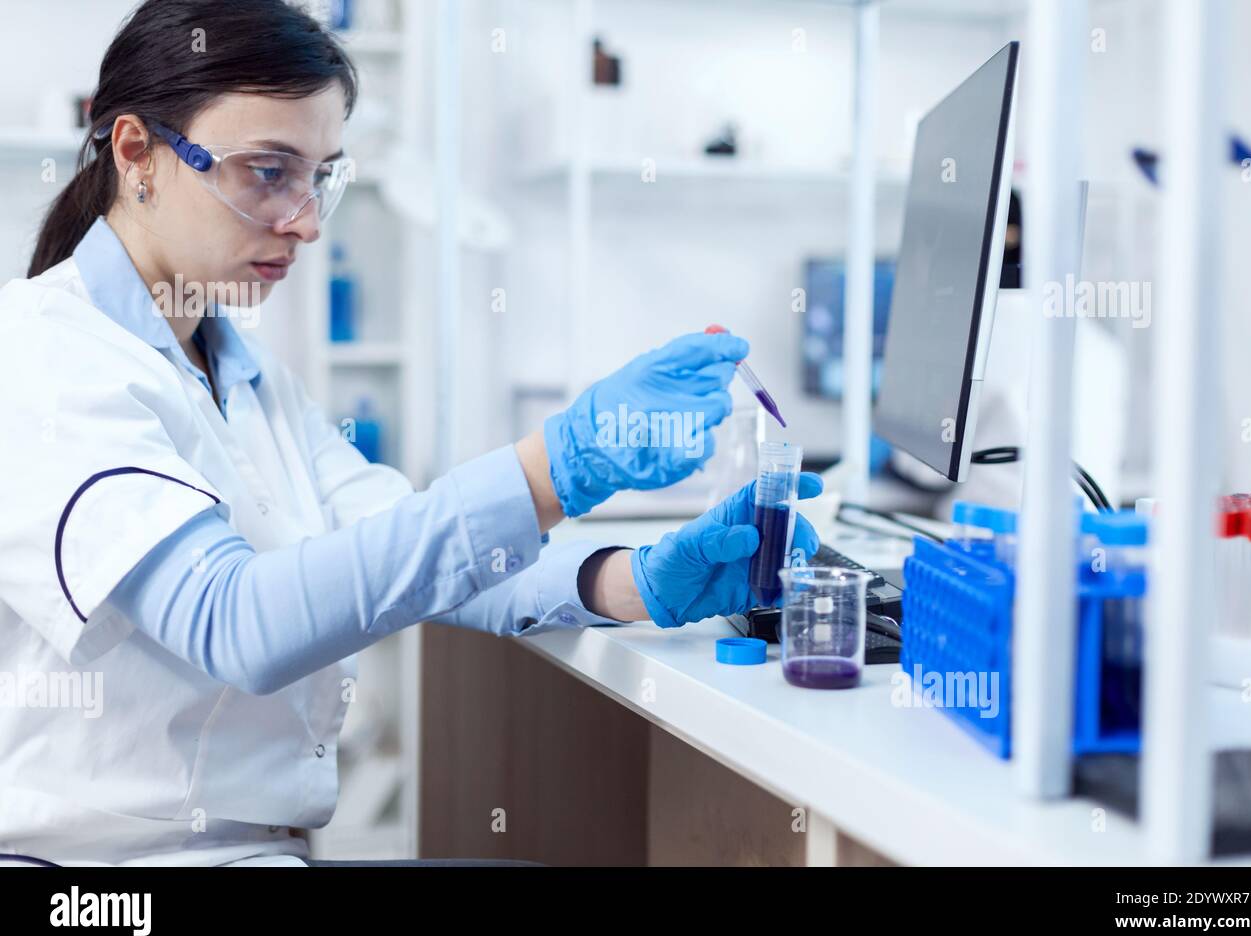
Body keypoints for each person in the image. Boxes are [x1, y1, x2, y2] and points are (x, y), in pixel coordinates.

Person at [0, 0, 819, 866]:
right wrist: (552, 468)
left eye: (320, 176)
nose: (308, 221)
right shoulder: (42, 354)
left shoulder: (242, 372)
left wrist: (625, 581)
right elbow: (233, 620)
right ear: (137, 154)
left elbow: (410, 544)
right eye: (267, 172)